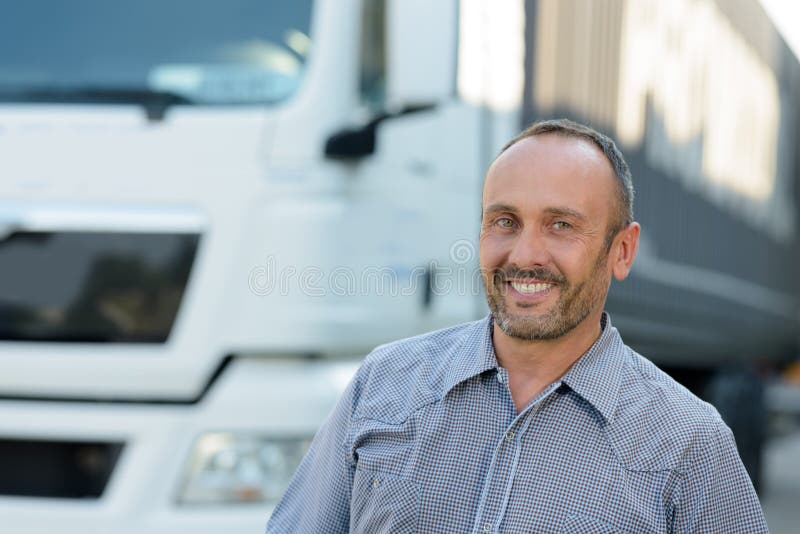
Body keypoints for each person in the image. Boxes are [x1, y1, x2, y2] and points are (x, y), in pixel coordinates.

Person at [266, 119, 767, 533]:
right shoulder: (384, 384)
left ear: (622, 251)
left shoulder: (687, 444)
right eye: (504, 221)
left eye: (561, 225)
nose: (525, 255)